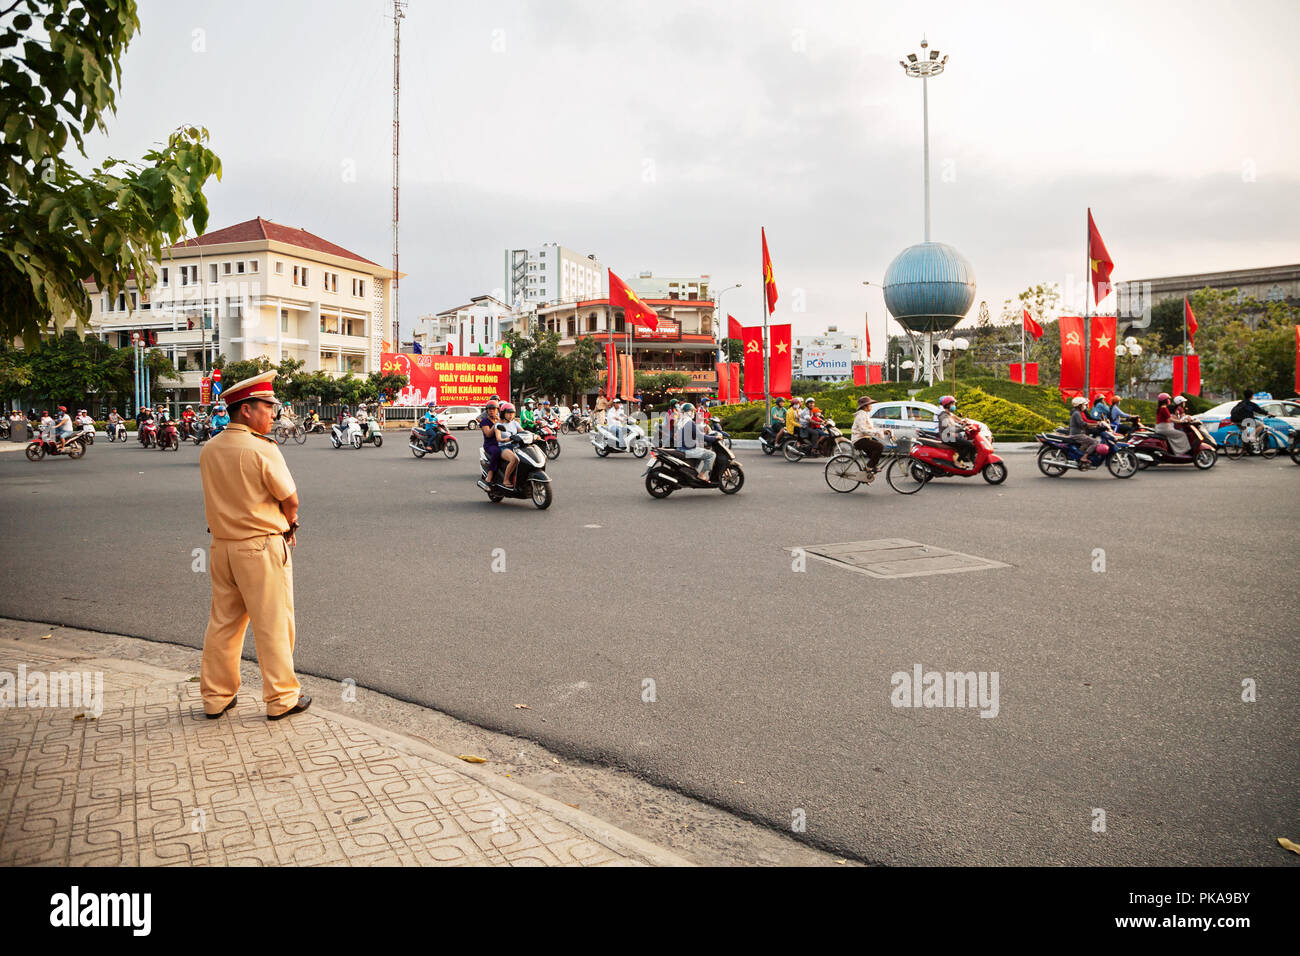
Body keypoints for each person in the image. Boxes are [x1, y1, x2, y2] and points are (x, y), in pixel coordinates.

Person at [197, 370, 309, 721]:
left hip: (222, 548)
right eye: (267, 406)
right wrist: (290, 527)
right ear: (245, 409)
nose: (273, 413)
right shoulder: (262, 449)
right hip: (259, 547)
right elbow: (290, 498)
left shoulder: (211, 448)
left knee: (223, 624)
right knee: (273, 623)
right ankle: (281, 698)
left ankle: (216, 697)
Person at [675, 402, 715, 480]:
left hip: (680, 448)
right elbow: (700, 436)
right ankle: (701, 475)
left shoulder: (681, 422)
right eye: (692, 411)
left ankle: (693, 470)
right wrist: (714, 438)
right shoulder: (689, 422)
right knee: (711, 455)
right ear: (688, 412)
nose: (693, 413)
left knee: (701, 450)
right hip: (687, 450)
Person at [851, 395, 889, 473]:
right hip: (859, 440)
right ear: (865, 406)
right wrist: (878, 432)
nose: (871, 406)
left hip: (863, 438)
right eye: (870, 404)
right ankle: (869, 468)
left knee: (874, 453)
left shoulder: (865, 414)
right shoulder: (861, 415)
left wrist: (882, 431)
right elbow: (863, 430)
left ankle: (869, 470)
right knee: (879, 446)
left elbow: (870, 429)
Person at [937, 395, 976, 468]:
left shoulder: (949, 414)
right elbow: (949, 429)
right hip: (947, 438)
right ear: (948, 405)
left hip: (950, 436)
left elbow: (956, 422)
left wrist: (964, 424)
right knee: (969, 445)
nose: (954, 406)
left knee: (968, 443)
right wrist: (962, 427)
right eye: (953, 404)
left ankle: (960, 460)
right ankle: (957, 462)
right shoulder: (944, 416)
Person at [1068, 395, 1106, 460]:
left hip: (1078, 433)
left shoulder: (1078, 412)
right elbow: (1083, 424)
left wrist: (1096, 423)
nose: (1084, 406)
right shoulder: (1077, 413)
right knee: (1095, 442)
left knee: (1088, 442)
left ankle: (1079, 455)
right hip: (1077, 434)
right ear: (1079, 405)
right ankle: (1084, 457)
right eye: (1083, 404)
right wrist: (1096, 424)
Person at [497, 402, 523, 488]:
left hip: (515, 446)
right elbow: (499, 439)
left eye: (512, 413)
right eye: (508, 413)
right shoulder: (499, 424)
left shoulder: (514, 423)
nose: (511, 415)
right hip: (503, 447)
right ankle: (506, 479)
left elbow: (522, 432)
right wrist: (510, 438)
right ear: (503, 413)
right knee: (514, 459)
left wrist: (534, 435)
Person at [477, 400, 502, 488]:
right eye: (490, 409)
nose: (492, 411)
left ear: (497, 410)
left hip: (502, 443)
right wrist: (496, 424)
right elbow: (488, 434)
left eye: (494, 409)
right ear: (487, 410)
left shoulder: (501, 420)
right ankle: (489, 476)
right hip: (490, 445)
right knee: (496, 452)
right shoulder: (485, 421)